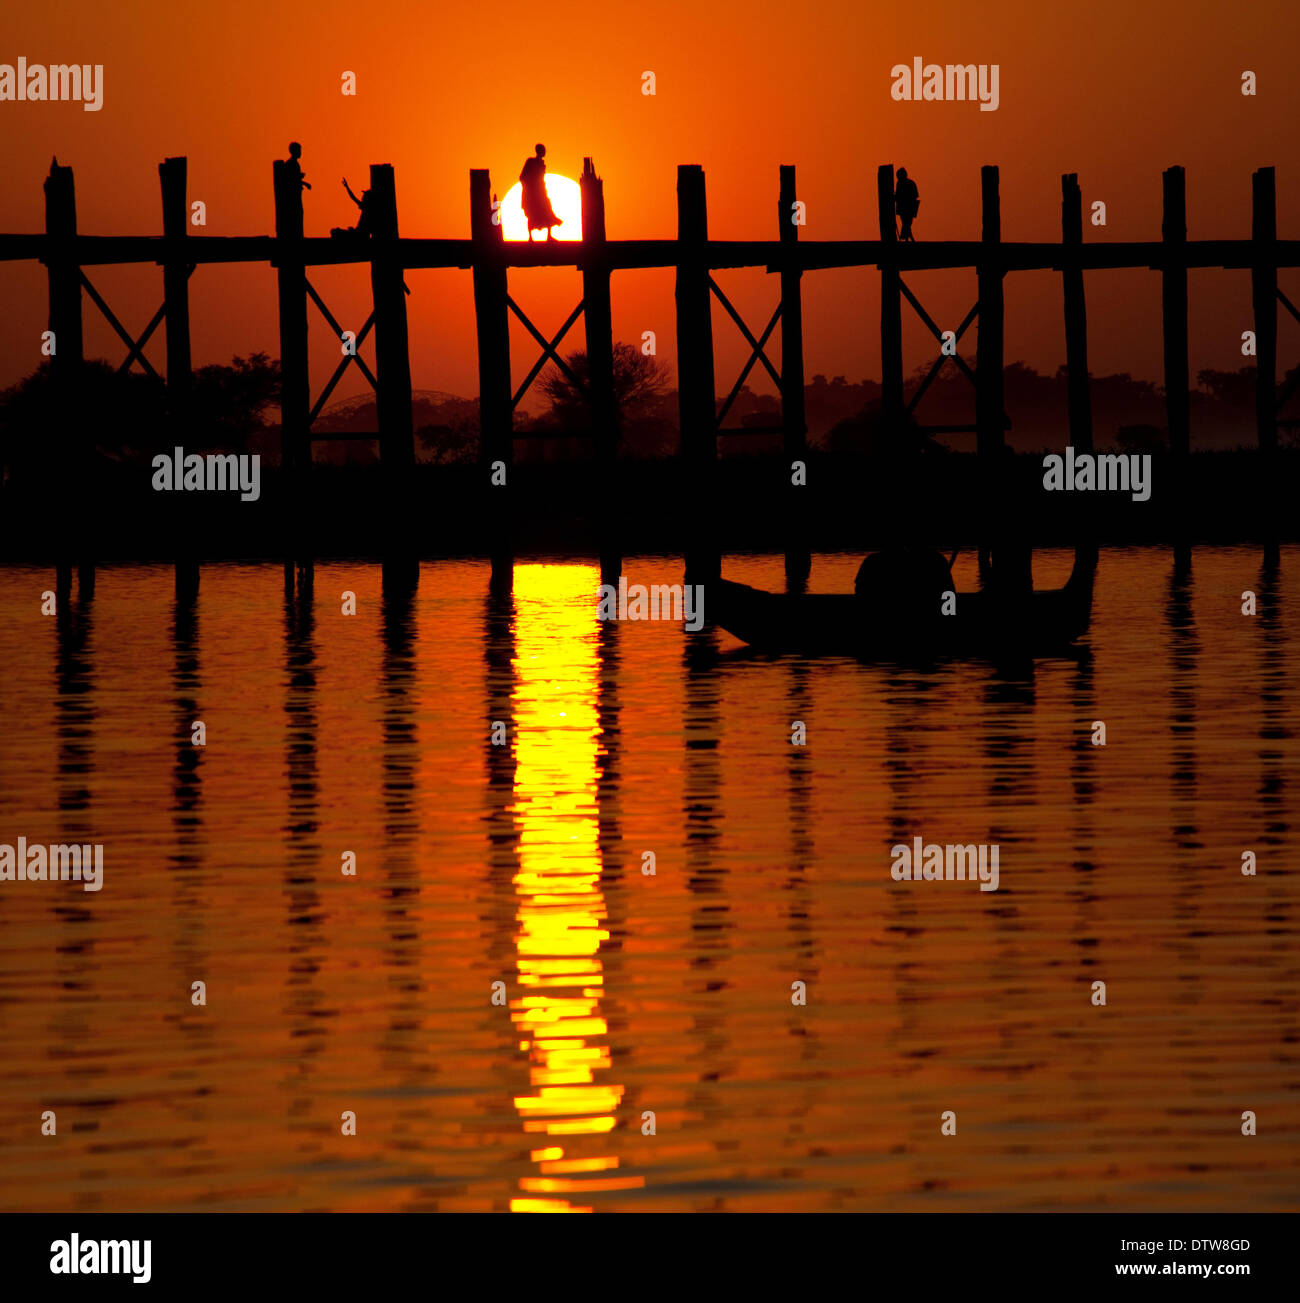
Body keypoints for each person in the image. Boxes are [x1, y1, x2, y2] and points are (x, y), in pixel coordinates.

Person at [520, 143, 562, 241]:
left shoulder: (542, 164)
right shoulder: (530, 162)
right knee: (532, 213)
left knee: (547, 210)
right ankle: (530, 237)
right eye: (543, 150)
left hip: (541, 192)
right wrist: (530, 188)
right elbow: (522, 177)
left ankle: (549, 236)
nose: (544, 152)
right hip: (532, 193)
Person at [895, 167, 920, 242]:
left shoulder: (902, 183)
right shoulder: (910, 183)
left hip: (906, 207)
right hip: (908, 207)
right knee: (907, 224)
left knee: (906, 224)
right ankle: (908, 239)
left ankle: (908, 239)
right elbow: (916, 195)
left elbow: (899, 196)